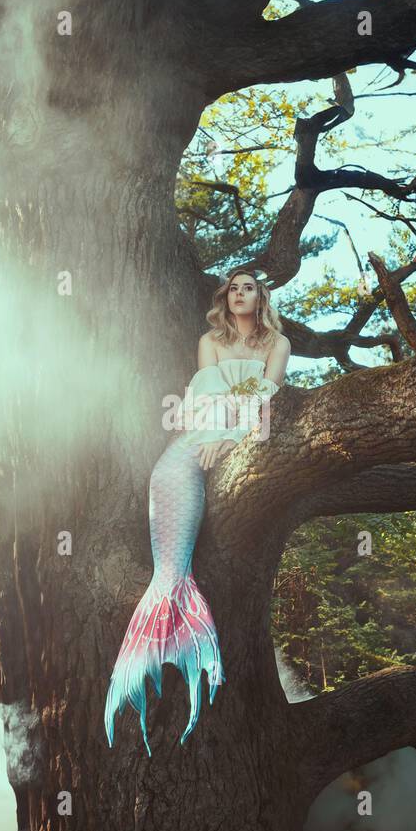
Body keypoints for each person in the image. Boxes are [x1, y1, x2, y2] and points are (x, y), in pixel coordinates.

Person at [104, 269, 290, 752]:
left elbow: (267, 395)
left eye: (249, 287)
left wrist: (230, 438)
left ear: (261, 297)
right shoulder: (210, 340)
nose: (240, 293)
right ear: (225, 299)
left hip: (252, 432)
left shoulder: (278, 344)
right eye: (234, 288)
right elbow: (206, 395)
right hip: (202, 430)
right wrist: (211, 434)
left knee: (228, 429)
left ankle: (182, 630)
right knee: (166, 473)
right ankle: (167, 604)